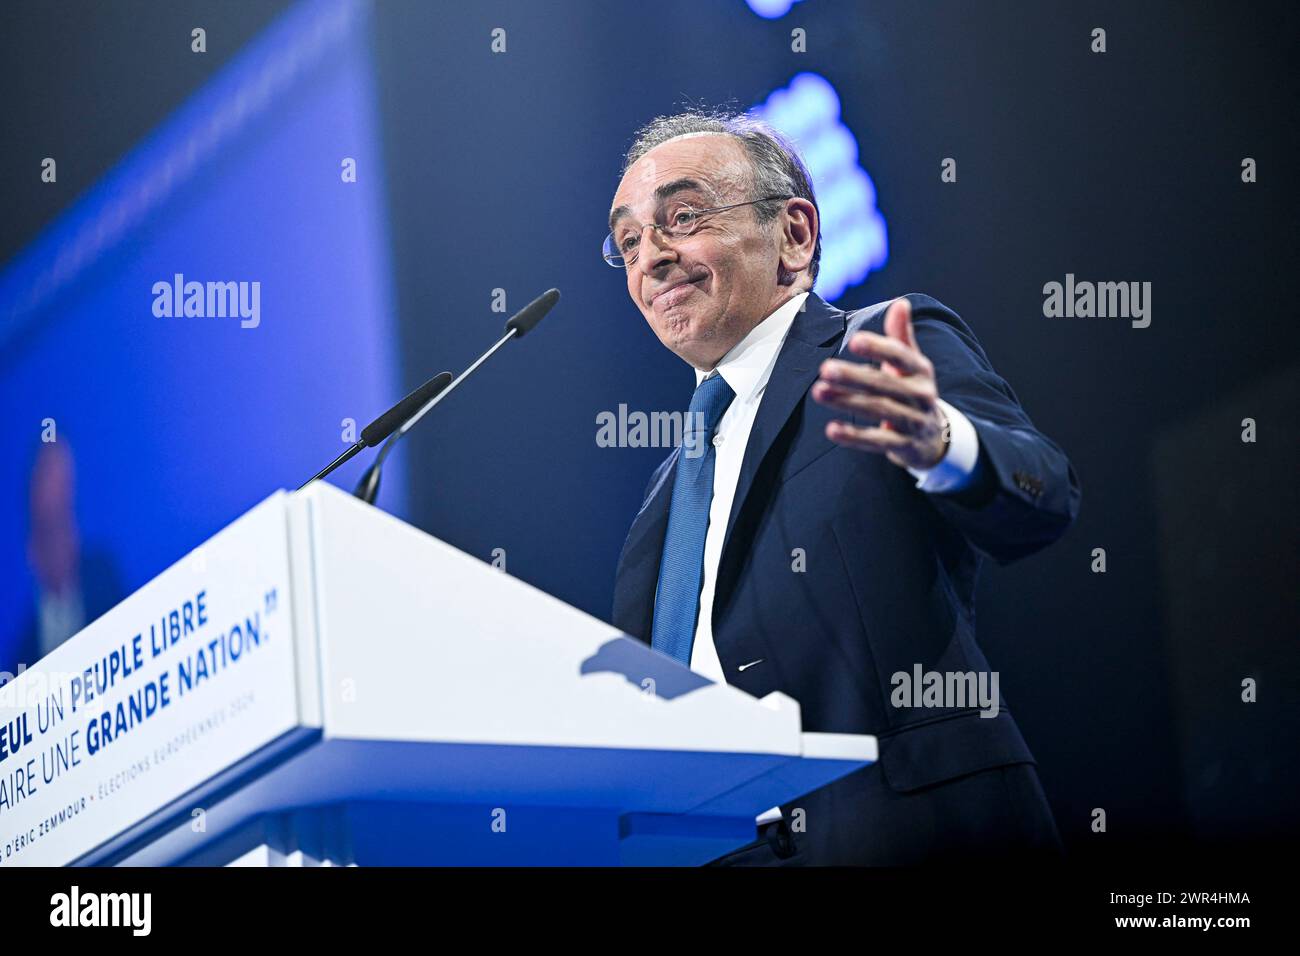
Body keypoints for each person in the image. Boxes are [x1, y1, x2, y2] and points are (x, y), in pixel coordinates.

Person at [606, 110, 1081, 865]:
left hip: (900, 835)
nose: (650, 259)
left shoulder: (878, 351)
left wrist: (944, 445)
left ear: (794, 235)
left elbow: (1043, 493)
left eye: (683, 218)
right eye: (628, 242)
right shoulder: (663, 497)